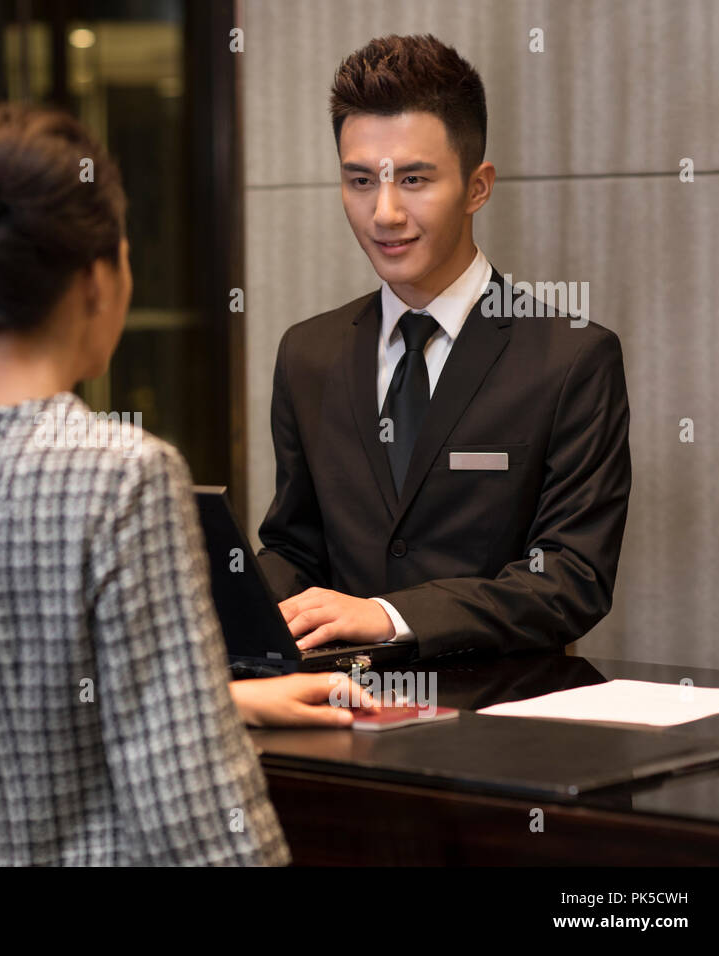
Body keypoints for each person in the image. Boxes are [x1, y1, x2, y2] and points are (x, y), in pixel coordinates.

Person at [0, 103, 374, 866]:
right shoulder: (124, 476)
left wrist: (218, 700)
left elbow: (25, 713)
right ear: (96, 279)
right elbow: (194, 814)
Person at [258, 34, 632, 660]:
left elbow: (571, 579)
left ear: (477, 187)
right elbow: (296, 550)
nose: (384, 213)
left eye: (413, 179)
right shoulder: (307, 353)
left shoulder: (571, 359)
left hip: (500, 723)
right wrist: (230, 602)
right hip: (336, 714)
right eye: (359, 180)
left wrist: (388, 616)